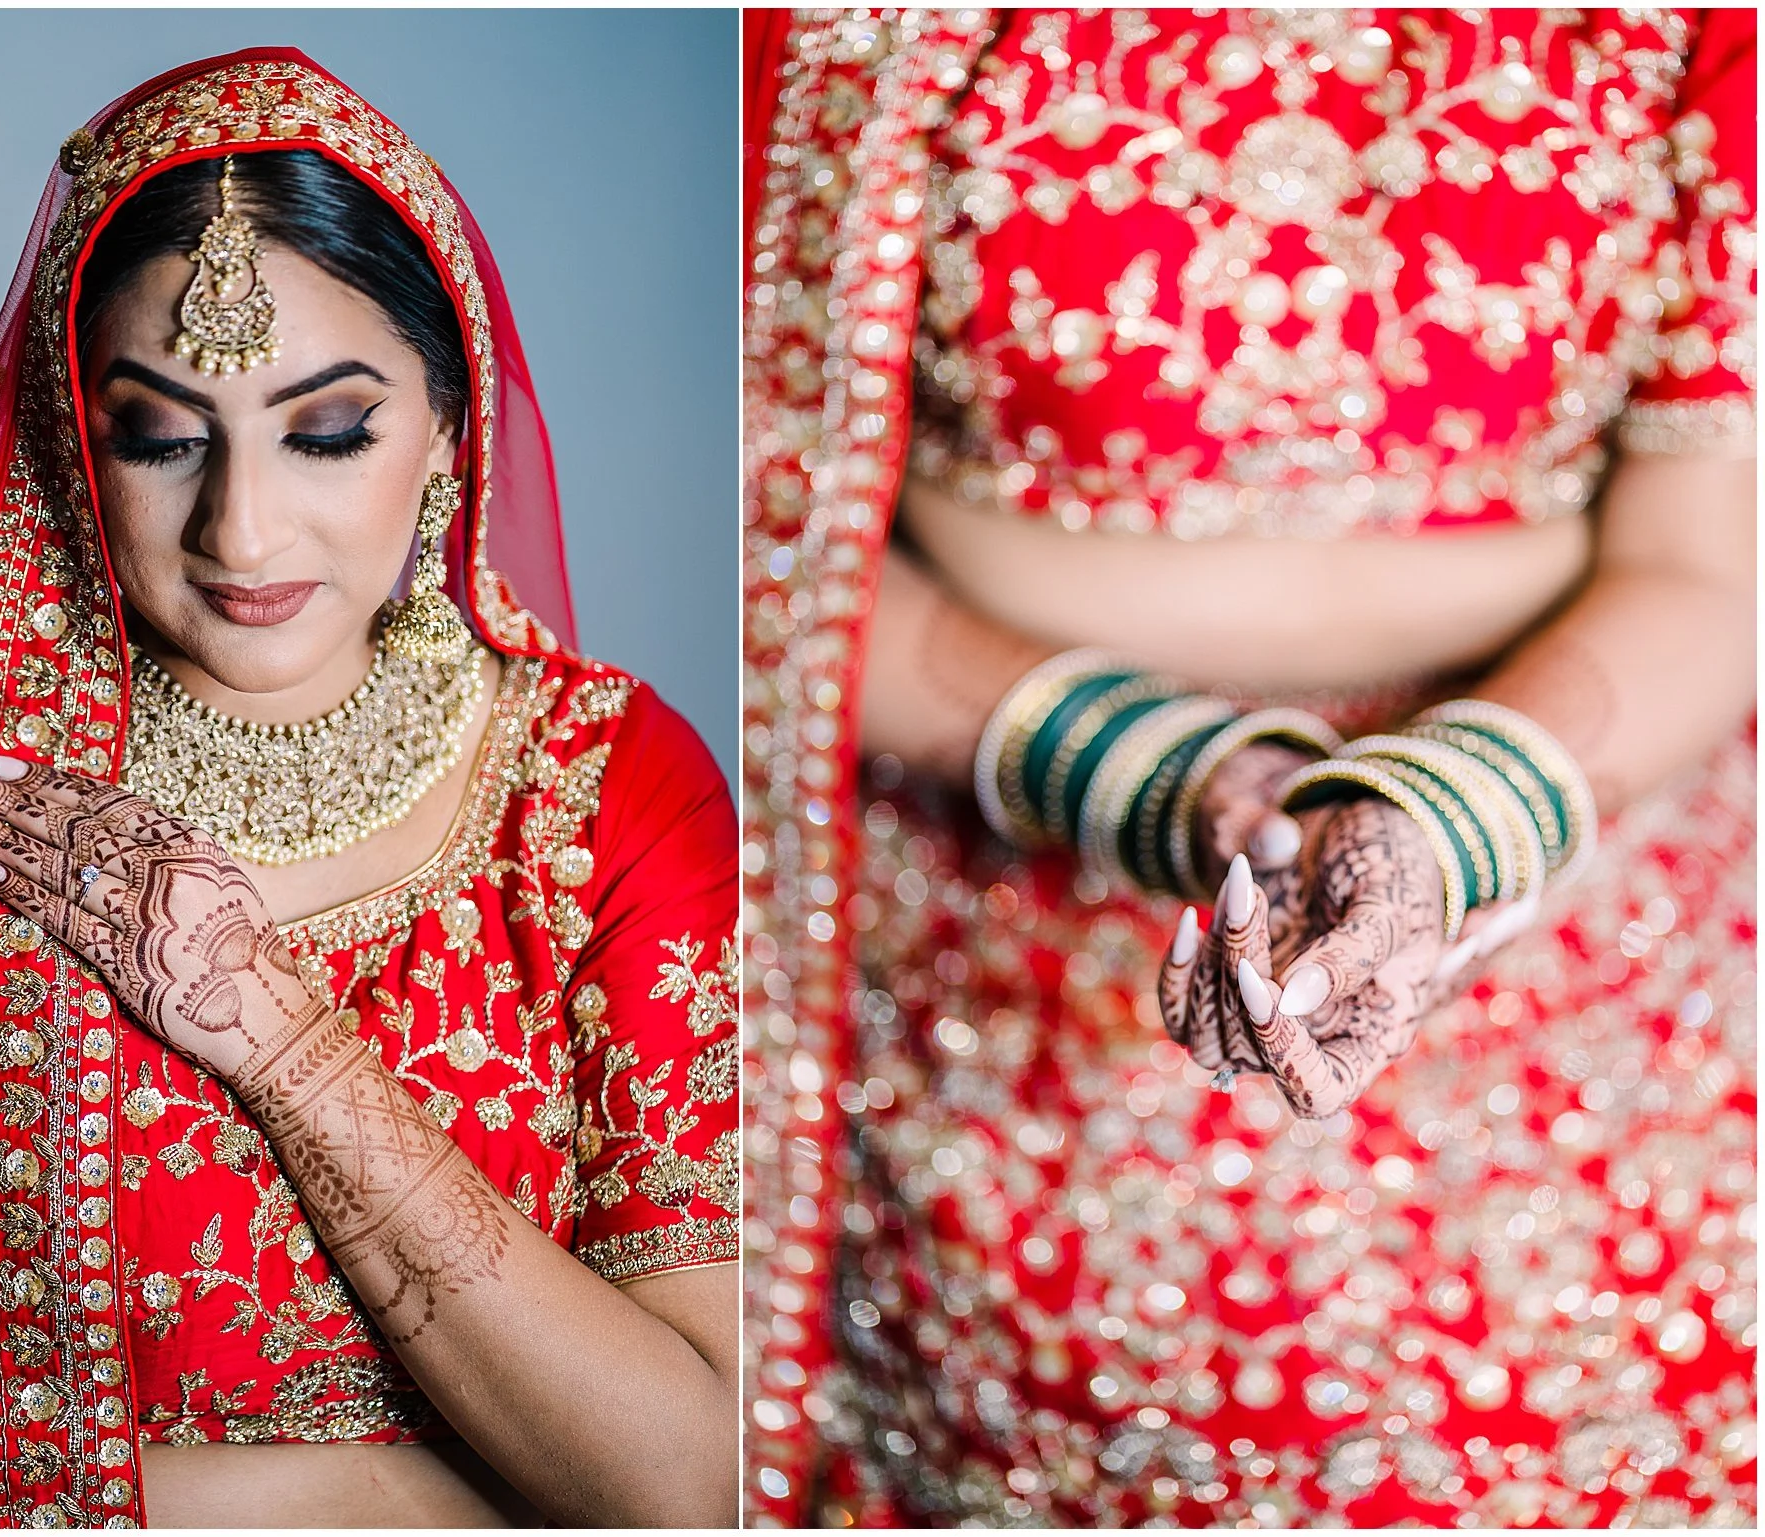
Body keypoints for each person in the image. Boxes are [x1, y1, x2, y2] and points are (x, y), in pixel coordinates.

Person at [744, 9, 1754, 1527]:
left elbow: (1715, 554)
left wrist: (1436, 821)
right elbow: (770, 521)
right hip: (994, 927)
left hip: (1592, 864)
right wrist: (1174, 778)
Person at [0, 49, 738, 1528]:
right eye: (163, 437)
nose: (242, 527)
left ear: (451, 430)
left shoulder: (599, 792)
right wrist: (412, 1497)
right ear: (78, 451)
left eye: (328, 433)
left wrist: (264, 1027)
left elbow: (695, 1481)